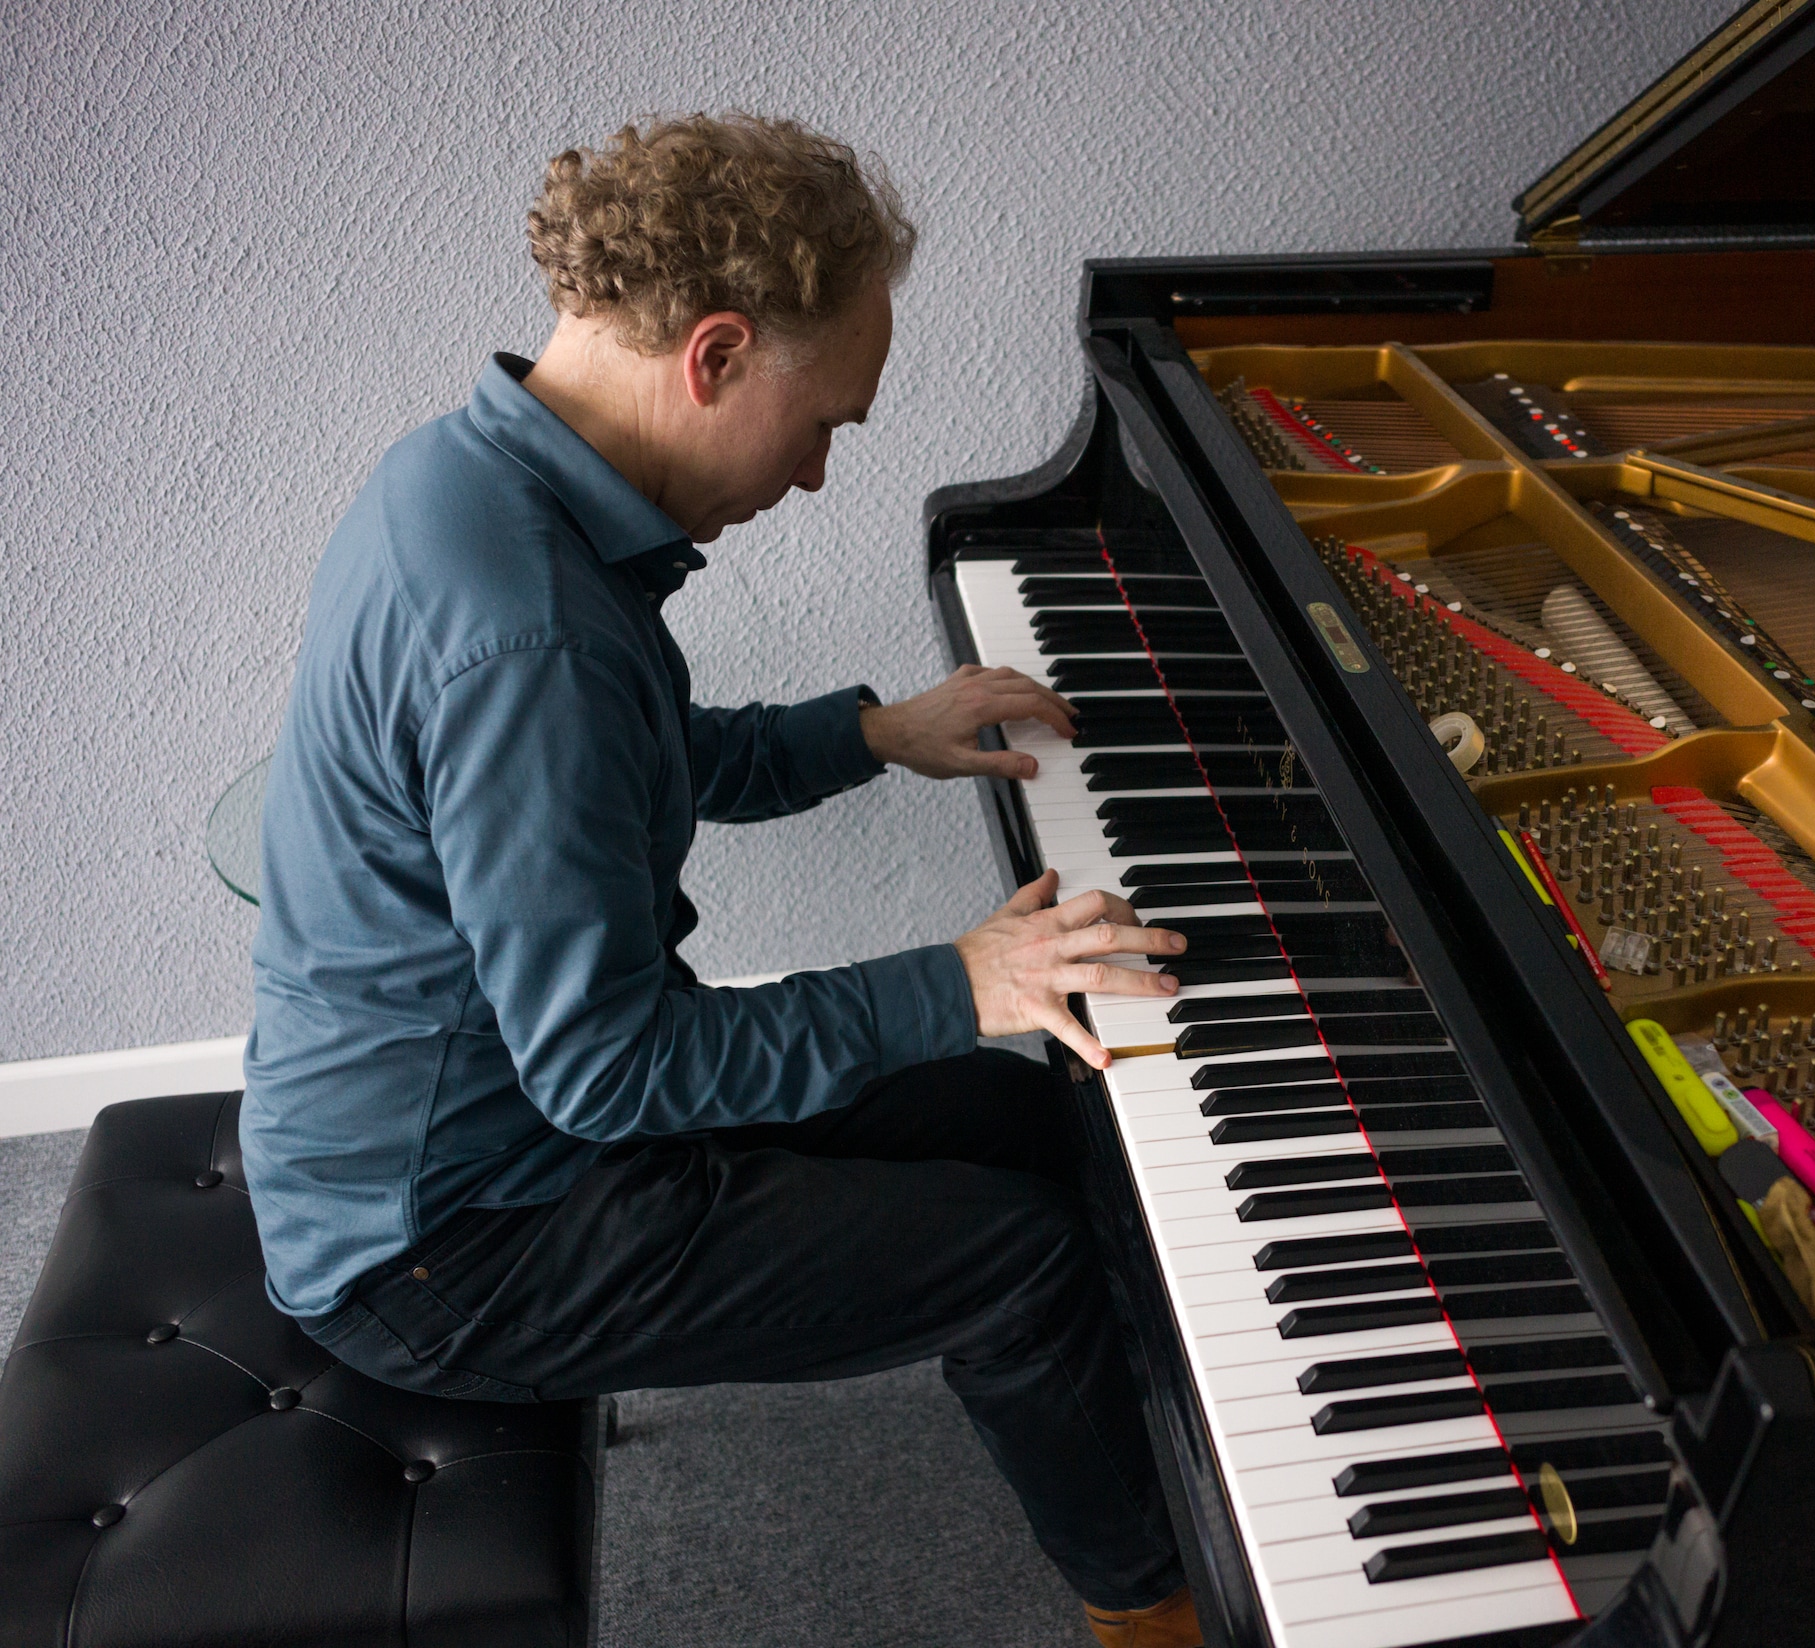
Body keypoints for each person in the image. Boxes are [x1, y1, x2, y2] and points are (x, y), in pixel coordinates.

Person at [243, 113, 1203, 1648]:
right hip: (443, 1240)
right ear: (714, 354)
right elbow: (613, 1075)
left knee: (1034, 1122)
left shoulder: (469, 481)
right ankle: (1156, 1615)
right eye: (825, 422)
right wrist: (956, 983)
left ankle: (1187, 1443)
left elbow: (632, 758)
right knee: (1017, 1263)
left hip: (467, 1133)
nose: (820, 474)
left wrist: (871, 735)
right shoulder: (529, 631)